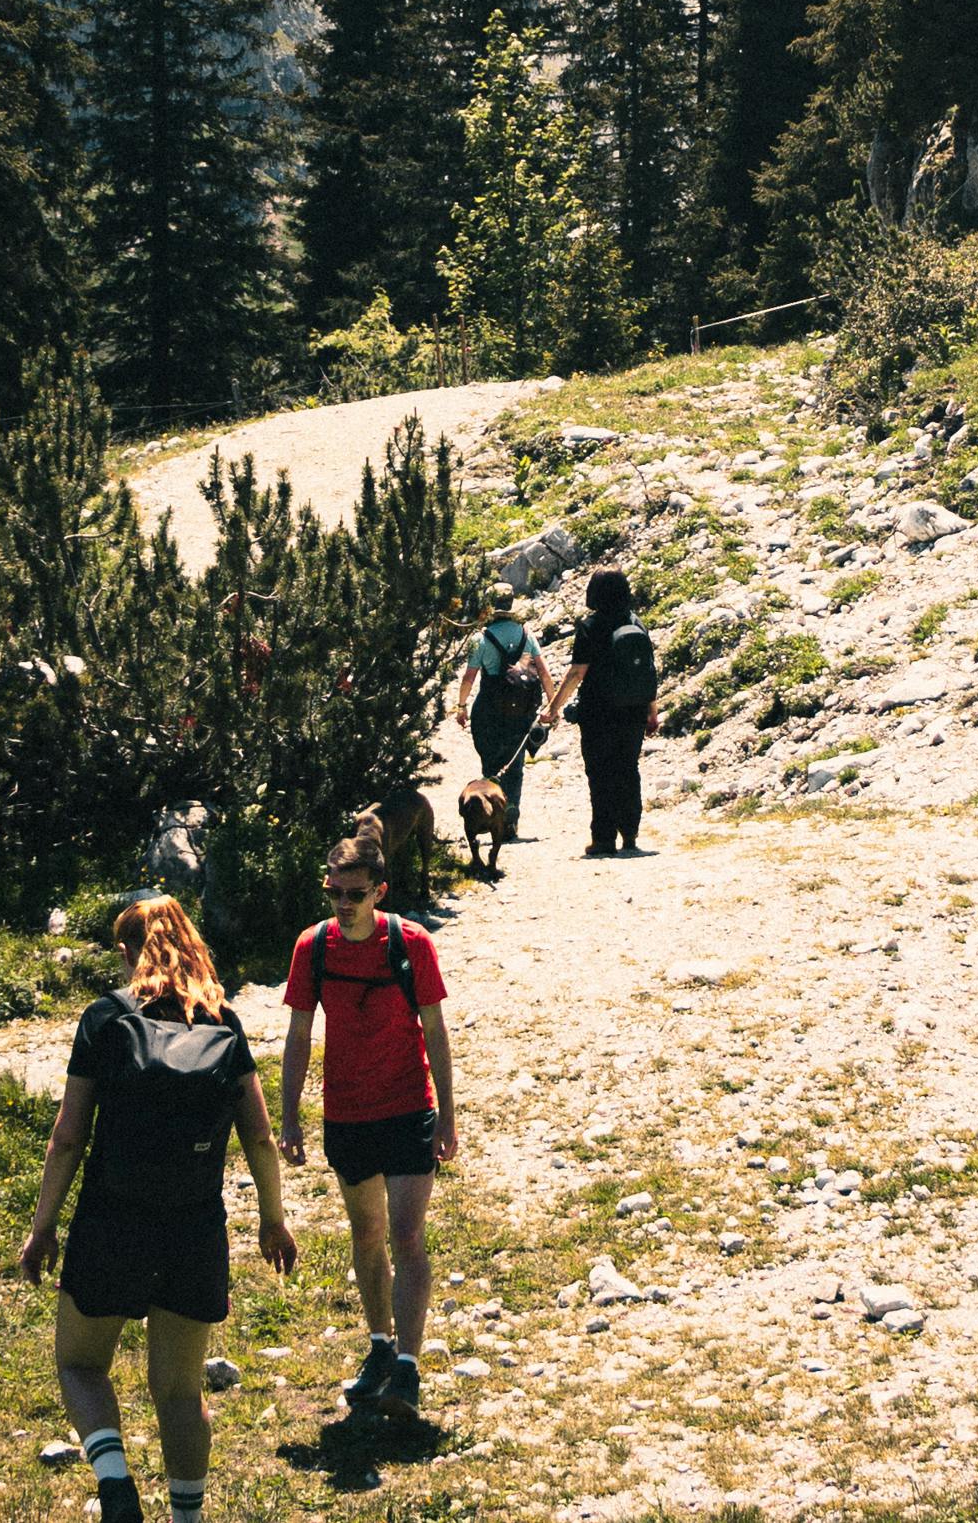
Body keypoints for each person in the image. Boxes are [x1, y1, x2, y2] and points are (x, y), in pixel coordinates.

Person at [19, 893, 296, 1523]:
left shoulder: (105, 1019)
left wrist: (42, 1230)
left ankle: (116, 1483)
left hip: (112, 1219)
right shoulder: (222, 1021)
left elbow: (68, 1136)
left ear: (127, 953)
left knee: (81, 1362)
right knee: (179, 1391)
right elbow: (257, 1135)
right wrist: (273, 1220)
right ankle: (187, 1518)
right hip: (193, 1227)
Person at [278, 834, 457, 1419]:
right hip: (347, 1113)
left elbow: (435, 1031)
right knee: (366, 1236)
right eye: (333, 891)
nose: (342, 903)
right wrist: (289, 1119)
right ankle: (379, 1346)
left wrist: (448, 1116)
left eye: (354, 894)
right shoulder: (314, 948)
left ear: (379, 891)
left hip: (408, 1106)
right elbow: (299, 1035)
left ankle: (407, 1366)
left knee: (405, 1236)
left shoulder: (411, 942)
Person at [550, 564, 663, 858]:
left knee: (600, 774)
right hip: (633, 711)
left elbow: (576, 673)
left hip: (598, 712)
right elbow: (647, 672)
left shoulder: (590, 627)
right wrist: (652, 712)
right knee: (628, 769)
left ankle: (603, 839)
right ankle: (630, 835)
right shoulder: (637, 623)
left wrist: (553, 708)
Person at [451, 594, 550, 842]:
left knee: (491, 765)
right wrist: (553, 706)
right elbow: (543, 671)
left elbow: (469, 677)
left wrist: (461, 706)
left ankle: (493, 816)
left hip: (489, 710)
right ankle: (510, 820)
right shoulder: (527, 634)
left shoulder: (481, 638)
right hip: (521, 710)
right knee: (515, 767)